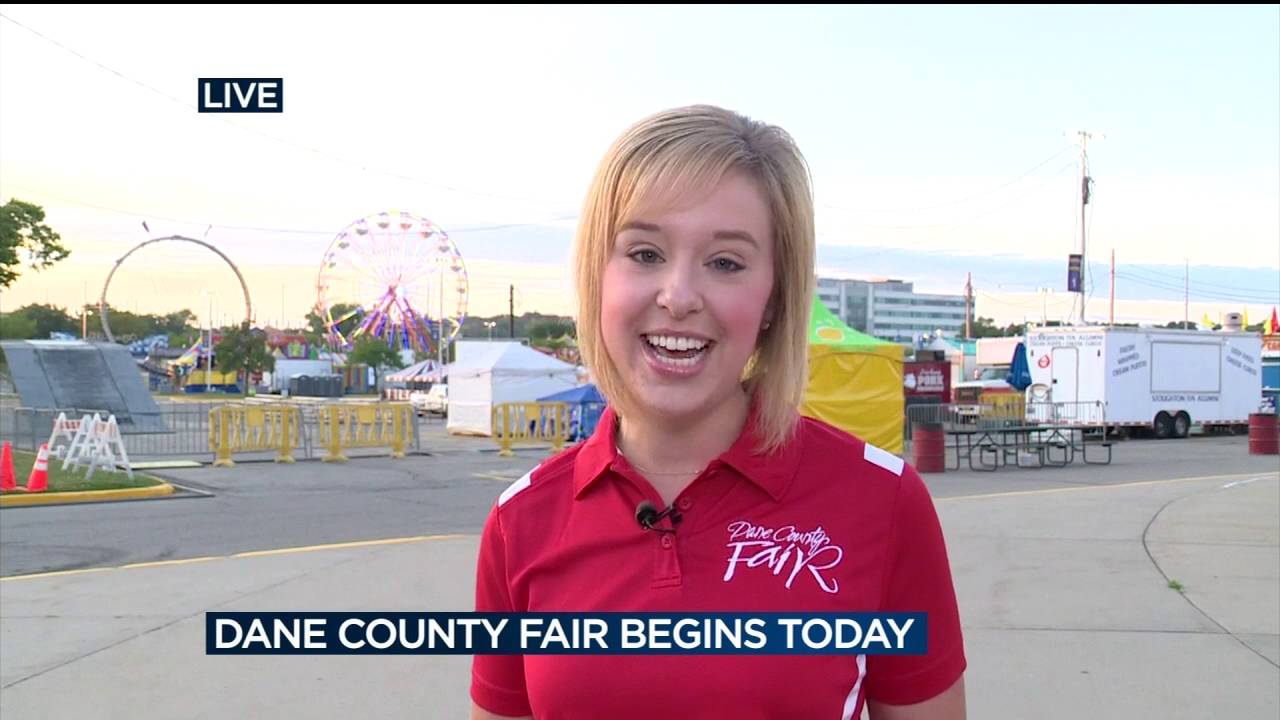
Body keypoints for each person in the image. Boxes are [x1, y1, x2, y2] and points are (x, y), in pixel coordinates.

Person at [471, 105, 966, 720]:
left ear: (773, 299)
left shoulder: (884, 504)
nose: (678, 296)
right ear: (598, 277)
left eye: (726, 262)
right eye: (645, 253)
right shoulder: (520, 522)